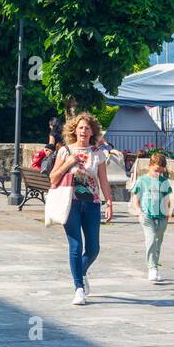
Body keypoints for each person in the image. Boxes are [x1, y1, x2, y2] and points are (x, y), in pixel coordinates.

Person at [49, 113, 114, 305]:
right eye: (80, 128)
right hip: (71, 203)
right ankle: (78, 288)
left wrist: (109, 203)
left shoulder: (98, 154)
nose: (84, 131)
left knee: (93, 248)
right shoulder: (65, 151)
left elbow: (103, 181)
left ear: (93, 131)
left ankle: (82, 270)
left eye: (87, 128)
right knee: (76, 246)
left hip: (92, 203)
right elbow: (53, 178)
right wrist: (69, 163)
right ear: (74, 130)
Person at [130, 151, 173, 283]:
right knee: (151, 239)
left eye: (160, 171)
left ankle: (155, 266)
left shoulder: (164, 181)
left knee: (158, 242)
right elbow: (135, 198)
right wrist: (139, 211)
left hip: (162, 216)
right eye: (156, 170)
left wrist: (168, 213)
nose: (158, 173)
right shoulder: (142, 180)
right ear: (150, 165)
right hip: (146, 215)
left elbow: (167, 199)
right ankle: (152, 268)